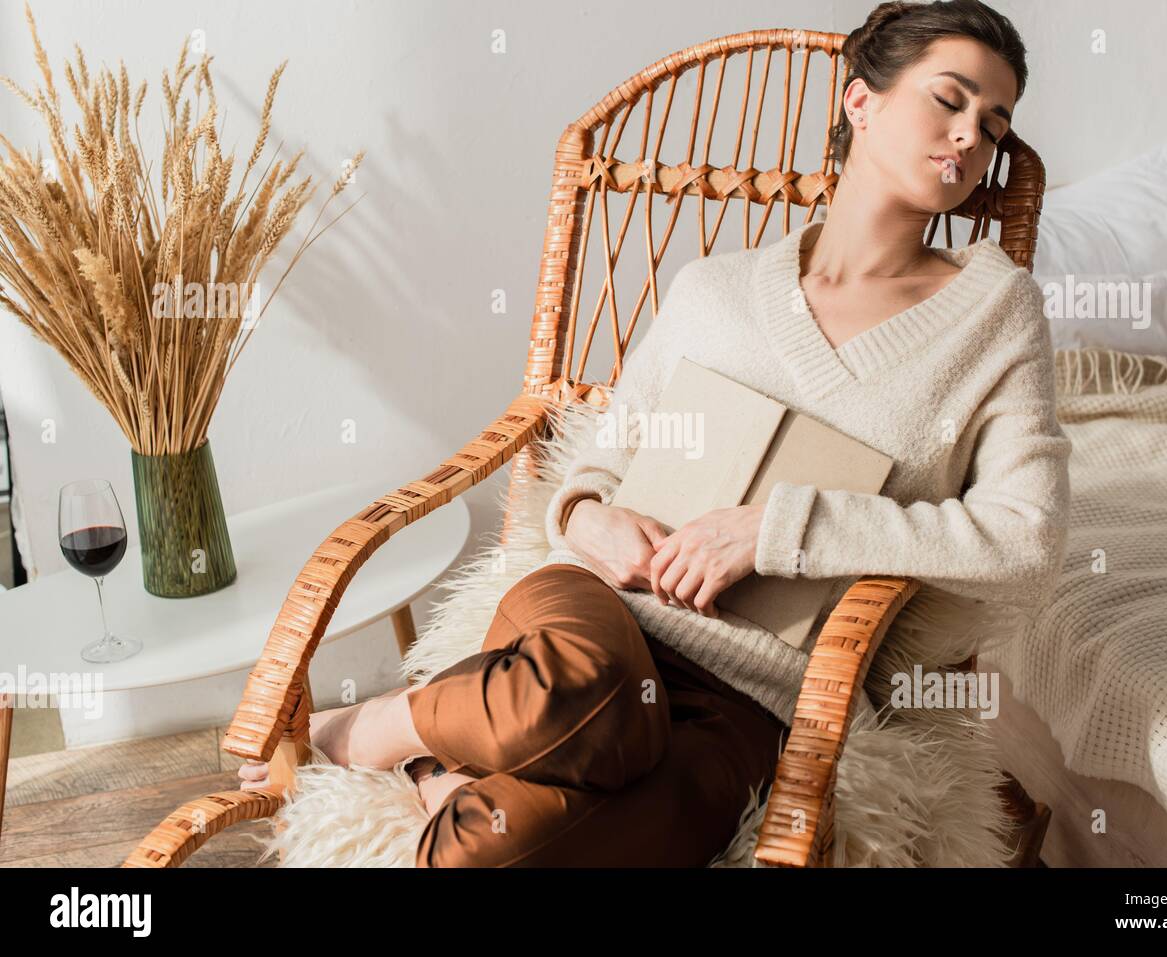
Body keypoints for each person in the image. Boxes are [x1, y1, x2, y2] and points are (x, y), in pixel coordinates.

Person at [239, 0, 1070, 867]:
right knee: (586, 693)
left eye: (995, 122)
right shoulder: (716, 290)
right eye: (950, 99)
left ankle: (433, 777)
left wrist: (780, 530)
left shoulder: (995, 313)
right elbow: (597, 458)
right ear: (860, 103)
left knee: (496, 852)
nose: (972, 135)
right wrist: (588, 514)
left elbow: (1028, 536)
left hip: (755, 696)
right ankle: (370, 723)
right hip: (593, 622)